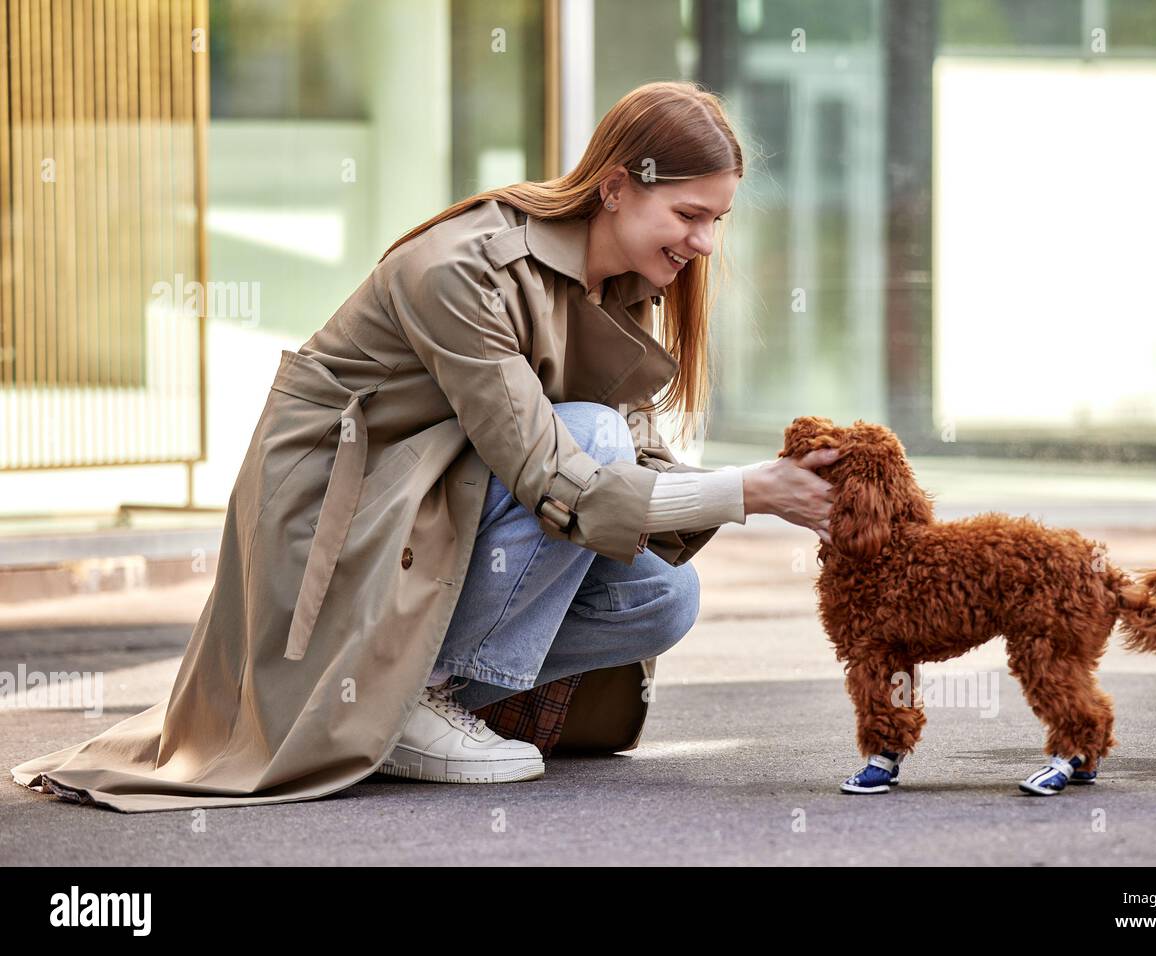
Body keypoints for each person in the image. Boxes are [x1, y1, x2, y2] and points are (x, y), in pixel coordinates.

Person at [10, 80, 839, 812]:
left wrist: (772, 492)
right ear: (616, 187)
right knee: (588, 434)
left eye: (717, 221)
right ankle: (409, 701)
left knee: (663, 599)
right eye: (689, 216)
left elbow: (632, 476)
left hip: (441, 513)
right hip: (341, 519)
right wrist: (747, 495)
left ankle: (409, 700)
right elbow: (558, 476)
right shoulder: (464, 267)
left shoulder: (622, 288)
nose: (703, 244)